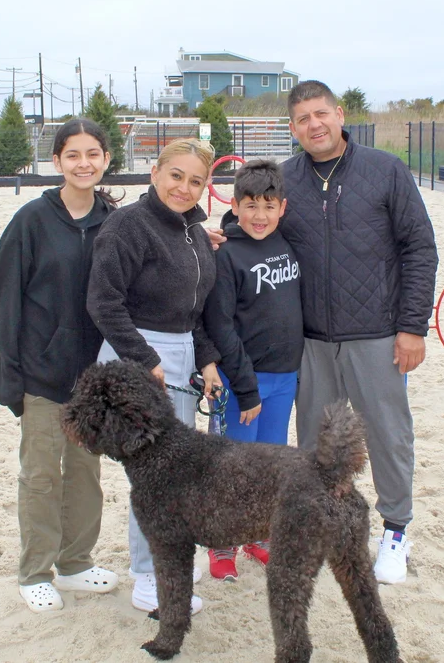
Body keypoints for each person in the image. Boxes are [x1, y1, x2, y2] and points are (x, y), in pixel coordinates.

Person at [281, 80, 438, 585]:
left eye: (321, 114)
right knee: (314, 443)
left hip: (376, 333)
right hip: (310, 338)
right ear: (293, 128)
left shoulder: (384, 170)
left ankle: (394, 531)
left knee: (388, 435)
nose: (314, 125)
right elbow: (252, 224)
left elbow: (420, 249)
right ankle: (323, 527)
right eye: (303, 118)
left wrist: (413, 326)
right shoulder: (285, 180)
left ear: (340, 114)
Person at [0, 118, 122, 613]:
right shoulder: (31, 222)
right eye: (73, 155)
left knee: (86, 473)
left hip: (95, 380)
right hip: (42, 377)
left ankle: (76, 562)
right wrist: (10, 380)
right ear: (57, 161)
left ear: (107, 159)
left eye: (93, 154)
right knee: (41, 476)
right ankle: (35, 570)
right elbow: (4, 304)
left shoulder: (114, 219)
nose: (83, 163)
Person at [86, 138, 220, 615]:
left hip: (180, 349)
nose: (184, 188)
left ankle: (168, 560)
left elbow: (196, 311)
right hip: (137, 353)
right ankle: (148, 576)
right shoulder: (128, 226)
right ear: (155, 174)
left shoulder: (196, 233)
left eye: (196, 181)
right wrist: (144, 360)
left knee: (178, 470)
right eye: (176, 176)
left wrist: (206, 360)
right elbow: (103, 302)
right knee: (156, 477)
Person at [201, 160, 302, 580]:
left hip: (284, 377)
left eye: (268, 205)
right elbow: (220, 325)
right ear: (235, 205)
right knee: (231, 467)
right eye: (250, 205)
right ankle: (221, 542)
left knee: (269, 464)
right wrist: (244, 387)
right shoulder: (228, 252)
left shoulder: (288, 243)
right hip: (241, 382)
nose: (259, 215)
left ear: (282, 207)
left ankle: (258, 534)